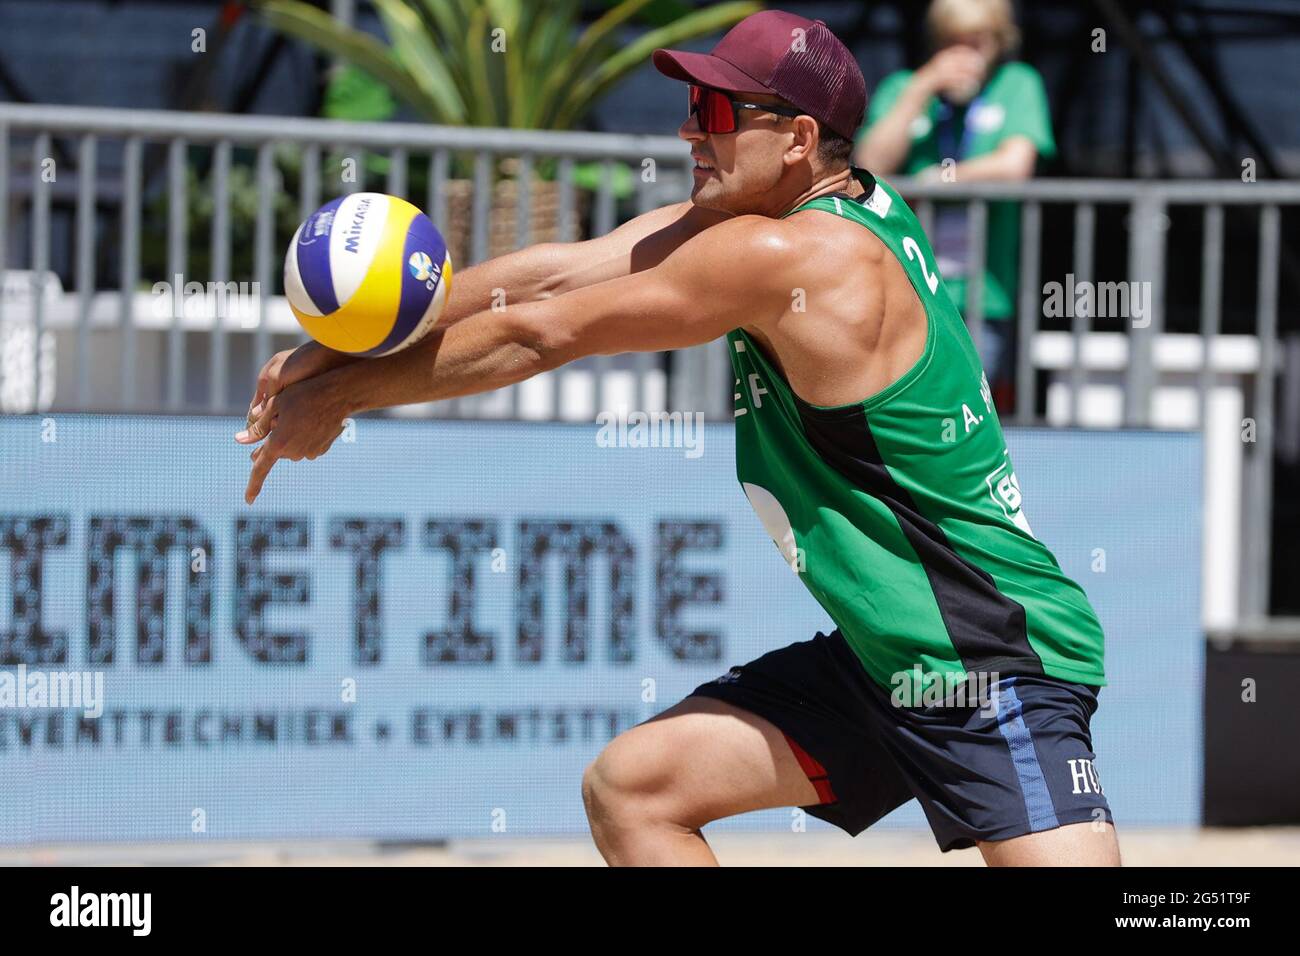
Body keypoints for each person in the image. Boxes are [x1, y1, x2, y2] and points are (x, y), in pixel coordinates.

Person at [236, 10, 1117, 867]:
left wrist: (347, 396)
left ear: (802, 139)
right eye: (696, 109)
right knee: (635, 790)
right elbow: (552, 274)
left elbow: (543, 334)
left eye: (723, 114)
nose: (695, 133)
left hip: (987, 660)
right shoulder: (821, 208)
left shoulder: (796, 261)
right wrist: (343, 341)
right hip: (890, 659)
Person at [855, 0, 1054, 408]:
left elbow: (1016, 164)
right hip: (903, 291)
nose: (962, 55)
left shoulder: (1016, 83)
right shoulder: (904, 86)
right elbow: (870, 164)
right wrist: (921, 88)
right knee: (901, 407)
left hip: (982, 296)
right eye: (951, 43)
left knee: (963, 408)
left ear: (1000, 43)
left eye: (975, 43)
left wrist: (942, 179)